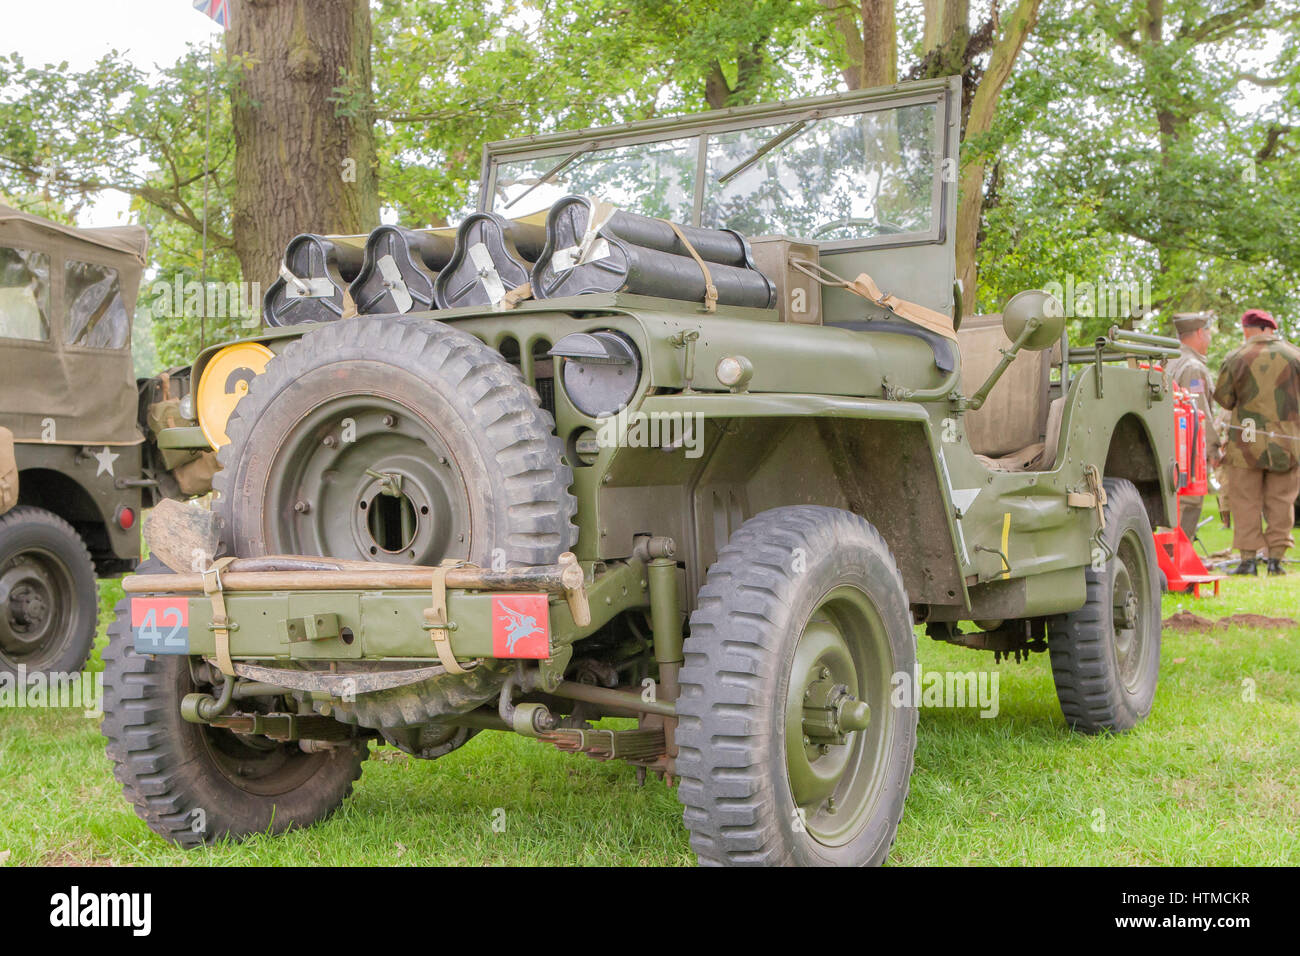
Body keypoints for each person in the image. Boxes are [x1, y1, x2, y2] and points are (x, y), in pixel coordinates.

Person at [1213, 309, 1300, 575]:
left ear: (1247, 329)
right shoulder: (1295, 355)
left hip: (1246, 442)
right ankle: (1275, 560)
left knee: (1245, 500)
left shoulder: (1235, 358)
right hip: (1287, 440)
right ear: (1269, 328)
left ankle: (1248, 561)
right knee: (1282, 500)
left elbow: (1225, 399)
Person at [1166, 312, 1220, 540]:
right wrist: (1213, 449)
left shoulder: (1169, 359)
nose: (1209, 338)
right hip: (1188, 450)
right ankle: (1177, 560)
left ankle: (1168, 558)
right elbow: (1198, 413)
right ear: (1199, 333)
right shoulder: (1192, 367)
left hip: (1168, 446)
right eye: (1208, 333)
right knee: (1189, 503)